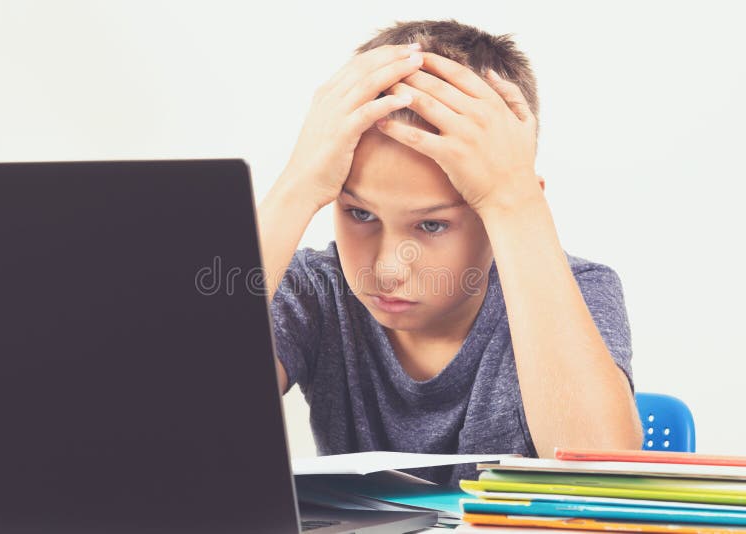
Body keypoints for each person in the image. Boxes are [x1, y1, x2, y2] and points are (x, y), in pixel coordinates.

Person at [257, 18, 643, 488]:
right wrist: (297, 185)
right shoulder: (315, 291)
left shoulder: (581, 290)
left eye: (432, 224)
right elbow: (173, 418)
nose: (388, 269)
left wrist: (516, 203)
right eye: (359, 214)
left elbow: (603, 475)